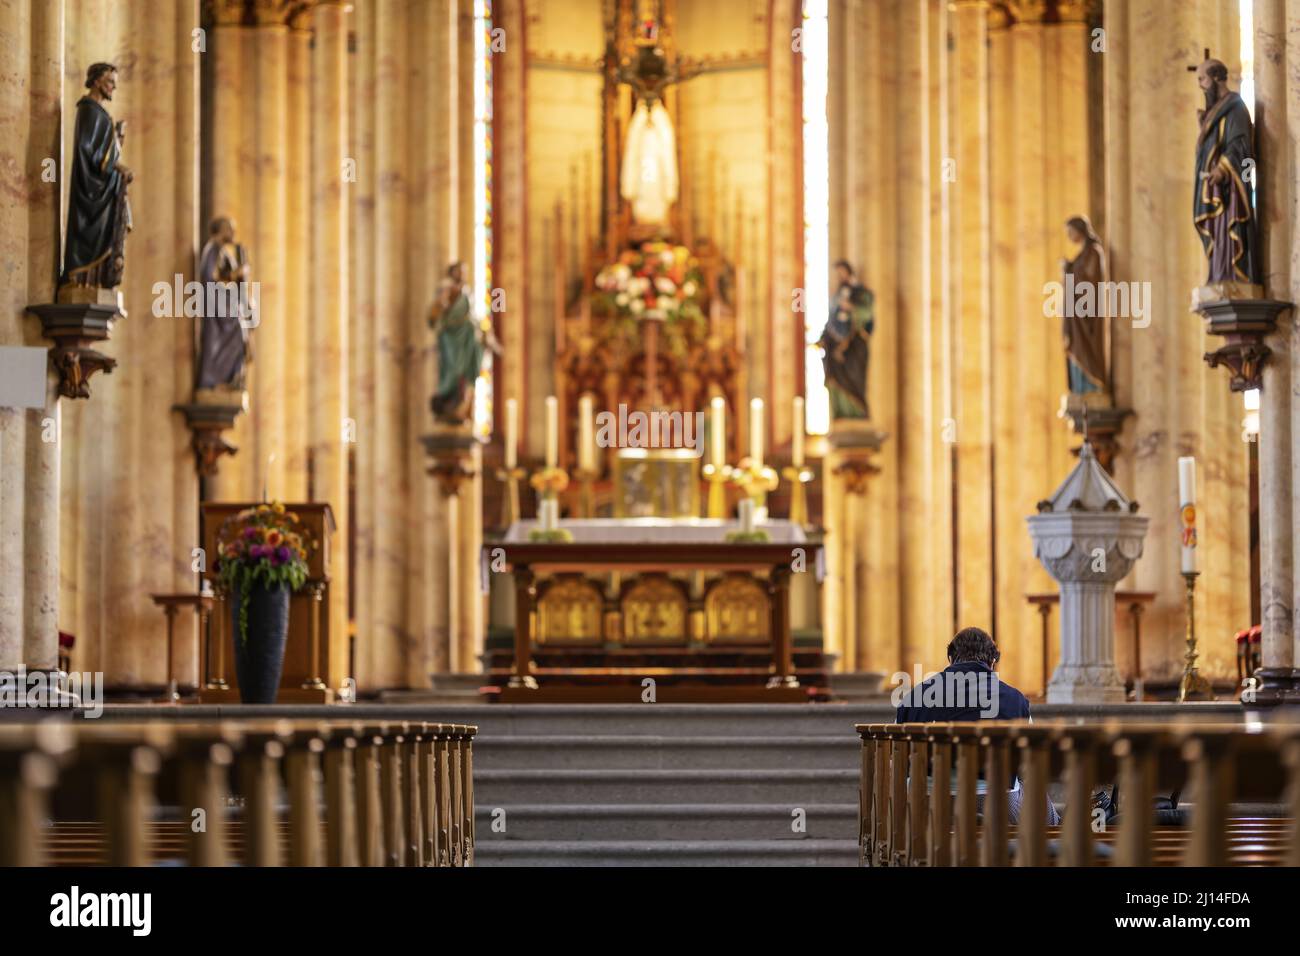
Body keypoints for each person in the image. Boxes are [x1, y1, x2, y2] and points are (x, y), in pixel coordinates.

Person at [895, 627, 1059, 825]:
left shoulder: (915, 697)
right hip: (998, 803)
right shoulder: (1015, 700)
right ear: (993, 662)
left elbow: (897, 756)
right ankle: (1045, 844)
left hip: (927, 804)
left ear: (951, 658)